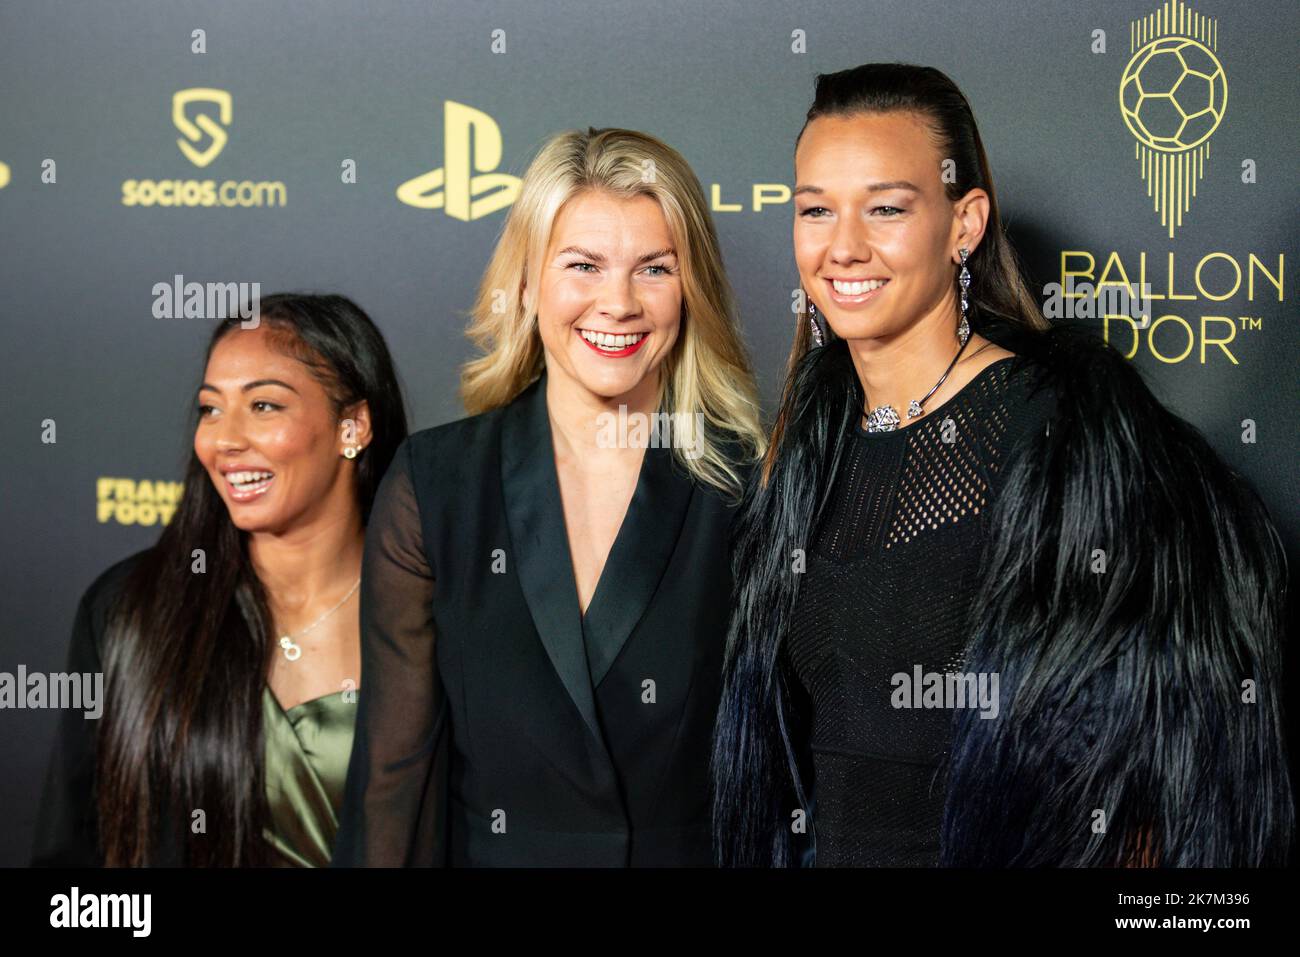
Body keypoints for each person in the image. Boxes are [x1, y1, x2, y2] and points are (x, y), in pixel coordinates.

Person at [712, 63, 1293, 867]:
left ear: (965, 223)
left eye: (886, 207)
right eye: (816, 209)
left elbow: (1160, 747)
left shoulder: (1060, 435)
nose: (843, 246)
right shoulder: (810, 447)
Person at [333, 127, 766, 866]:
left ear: (691, 290)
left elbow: (788, 766)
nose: (619, 302)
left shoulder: (747, 485)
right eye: (584, 265)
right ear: (528, 285)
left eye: (654, 268)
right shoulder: (436, 485)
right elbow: (392, 775)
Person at [31, 293, 408, 866]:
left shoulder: (435, 617)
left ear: (351, 427)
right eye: (211, 409)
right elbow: (70, 857)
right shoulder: (129, 611)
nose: (224, 439)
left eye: (263, 406)